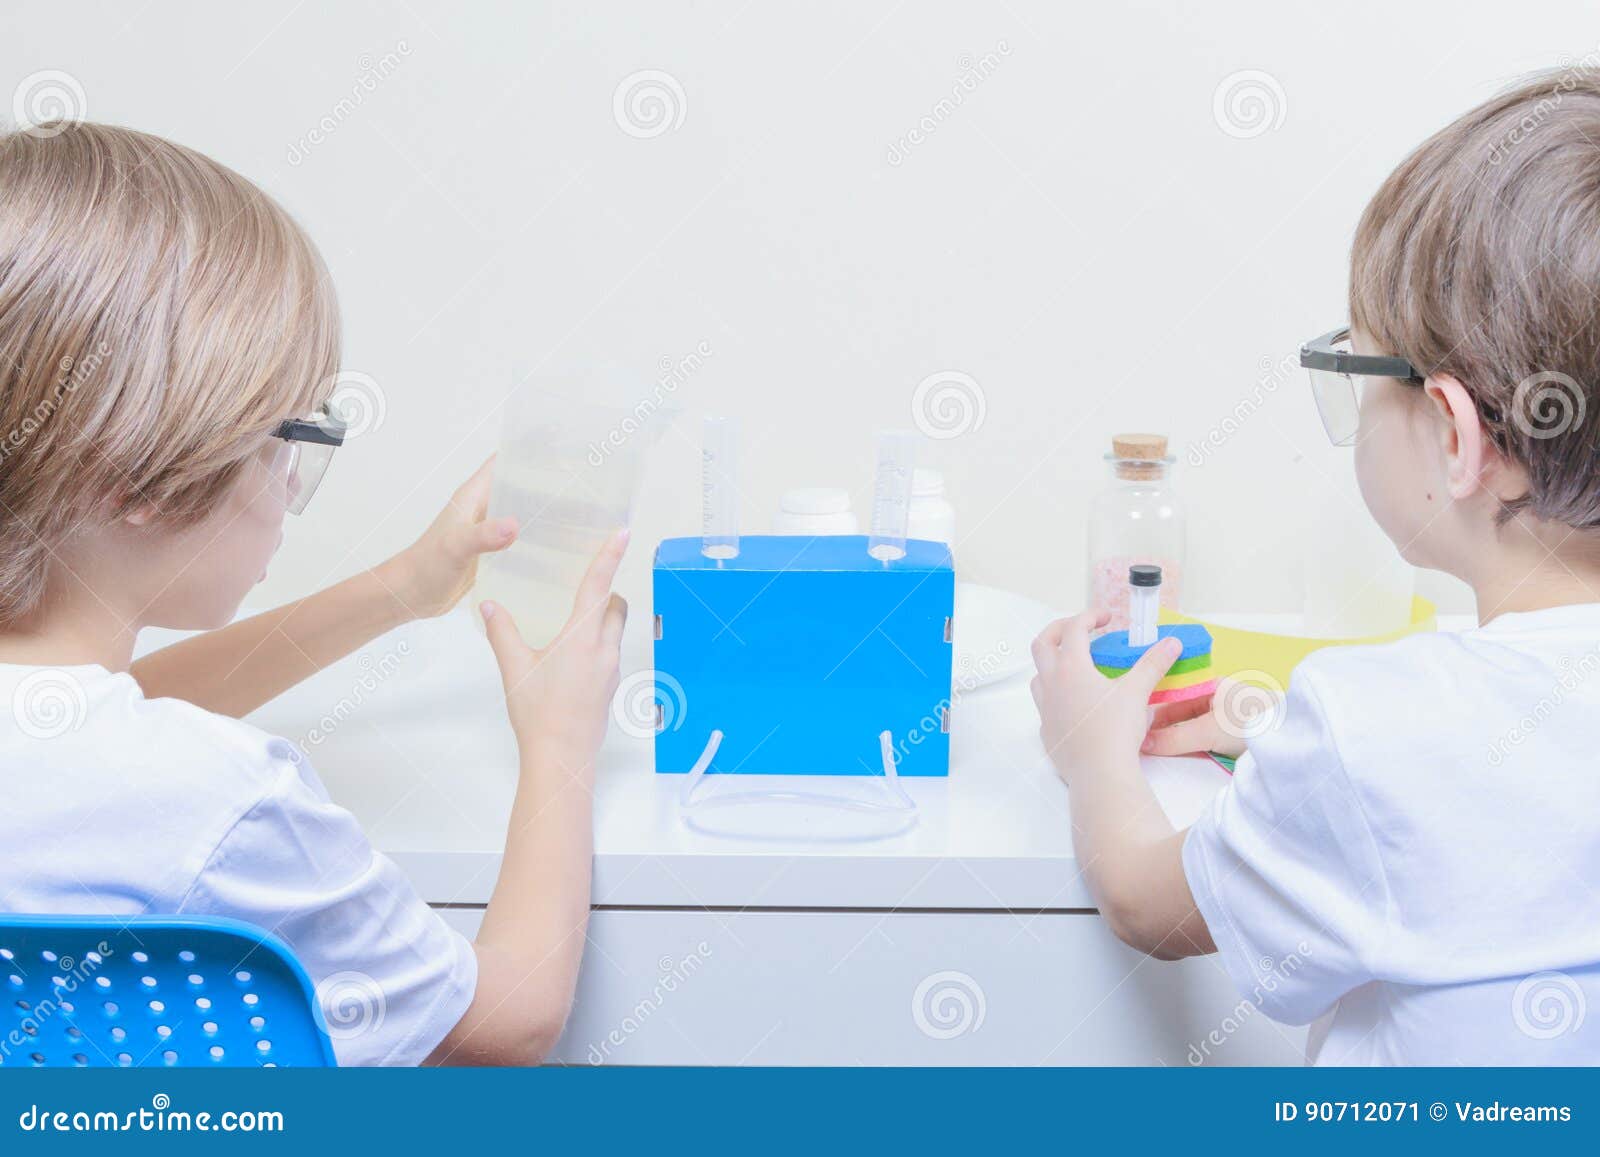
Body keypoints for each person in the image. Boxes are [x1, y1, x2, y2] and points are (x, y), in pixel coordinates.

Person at [0, 121, 625, 1066]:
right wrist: (561, 745)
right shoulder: (225, 799)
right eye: (283, 437)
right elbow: (511, 1015)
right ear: (127, 477)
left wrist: (401, 590)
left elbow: (90, 725)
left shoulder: (87, 754)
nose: (290, 482)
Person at [1031, 69, 1600, 1064]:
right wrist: (1282, 743)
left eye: (1358, 373)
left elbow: (1145, 899)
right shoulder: (1388, 729)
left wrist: (1089, 755)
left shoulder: (1374, 726)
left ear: (1452, 436)